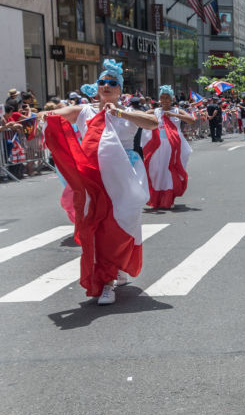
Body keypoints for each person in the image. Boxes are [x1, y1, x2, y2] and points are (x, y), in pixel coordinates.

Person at [41, 59, 158, 305]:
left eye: (112, 83)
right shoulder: (85, 111)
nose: (106, 86)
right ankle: (106, 282)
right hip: (94, 179)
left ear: (120, 89)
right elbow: (51, 115)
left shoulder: (126, 112)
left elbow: (152, 123)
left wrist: (119, 112)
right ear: (97, 87)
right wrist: (30, 120)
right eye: (102, 82)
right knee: (98, 229)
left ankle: (118, 266)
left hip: (124, 179)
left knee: (123, 225)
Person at [142, 85, 195, 209]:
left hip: (173, 147)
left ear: (171, 99)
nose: (165, 100)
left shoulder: (176, 111)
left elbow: (191, 120)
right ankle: (156, 199)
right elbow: (141, 116)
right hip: (158, 146)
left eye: (167, 98)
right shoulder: (155, 111)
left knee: (169, 172)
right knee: (156, 171)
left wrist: (176, 116)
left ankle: (168, 199)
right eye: (162, 98)